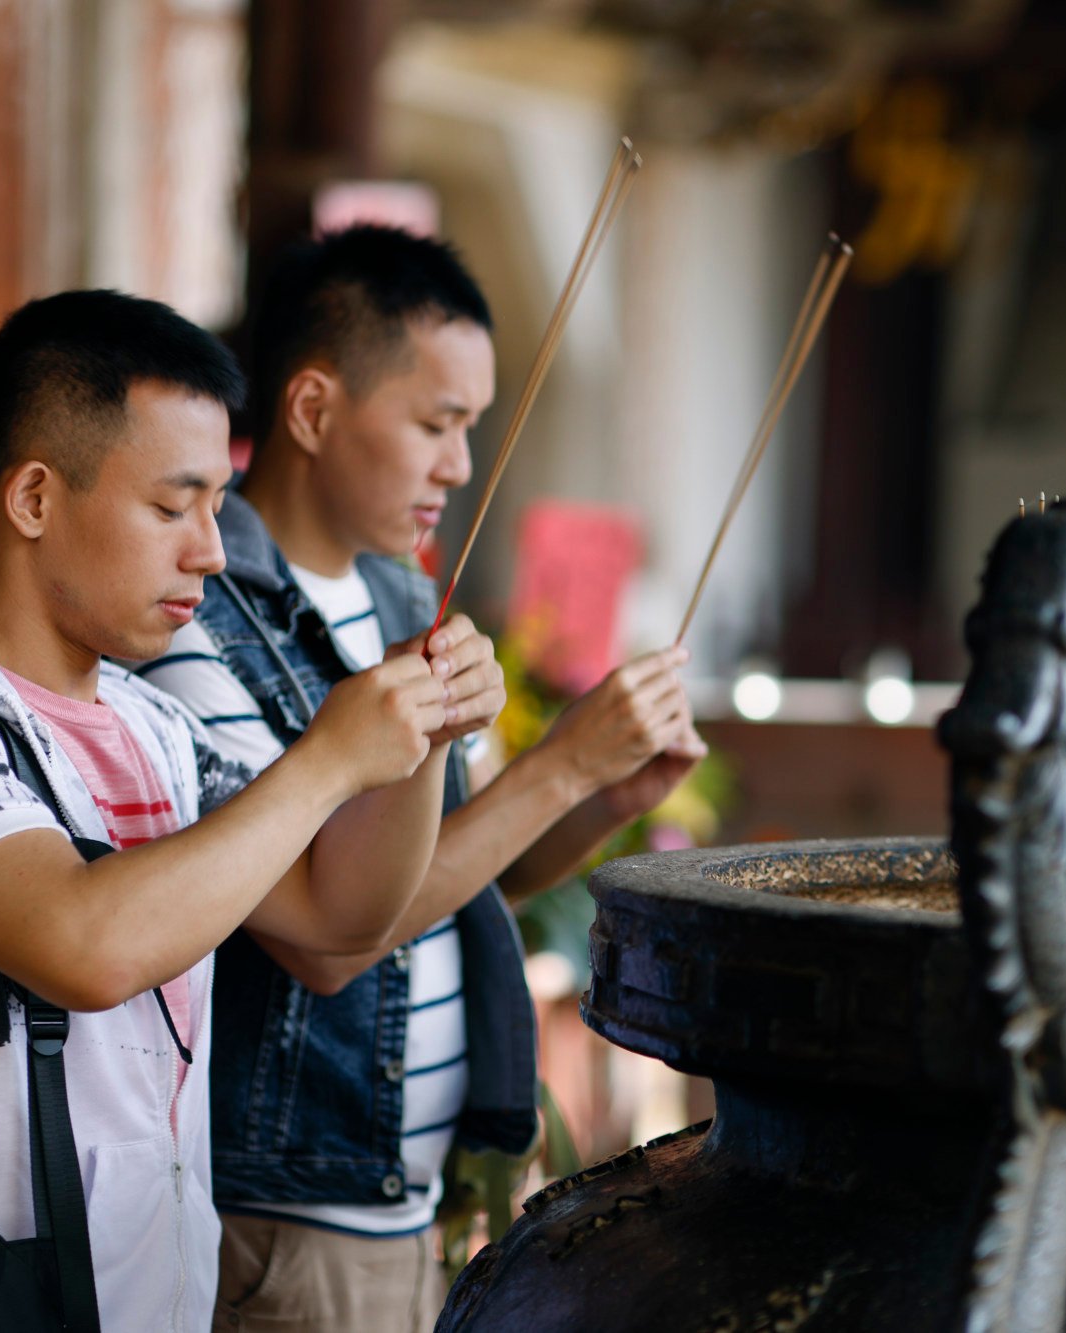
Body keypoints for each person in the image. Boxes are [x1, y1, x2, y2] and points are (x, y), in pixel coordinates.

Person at [0, 289, 504, 1332]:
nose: (211, 552)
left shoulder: (152, 726)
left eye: (220, 506)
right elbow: (84, 943)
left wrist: (417, 739)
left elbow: (335, 918)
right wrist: (323, 762)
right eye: (173, 508)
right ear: (34, 497)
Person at [140, 225, 705, 1333]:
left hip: (414, 1194)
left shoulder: (405, 601)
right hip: (285, 1204)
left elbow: (465, 873)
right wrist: (556, 765)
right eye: (436, 424)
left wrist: (604, 792)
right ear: (309, 410)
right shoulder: (198, 614)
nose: (458, 465)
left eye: (471, 429)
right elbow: (329, 935)